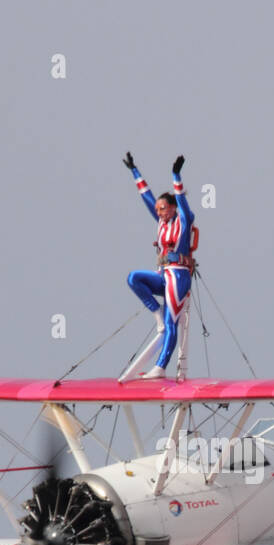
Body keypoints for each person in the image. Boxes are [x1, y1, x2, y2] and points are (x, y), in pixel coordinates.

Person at [123, 152, 195, 380]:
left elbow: (181, 199)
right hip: (163, 274)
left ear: (172, 208)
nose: (159, 213)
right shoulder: (162, 223)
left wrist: (176, 175)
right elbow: (147, 197)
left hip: (179, 276)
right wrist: (135, 172)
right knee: (134, 278)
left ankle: (161, 367)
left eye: (162, 209)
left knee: (172, 322)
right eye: (157, 211)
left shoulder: (184, 219)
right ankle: (157, 313)